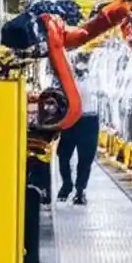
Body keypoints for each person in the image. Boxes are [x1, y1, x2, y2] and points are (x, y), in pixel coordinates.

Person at [56, 53, 101, 205]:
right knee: (63, 155)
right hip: (71, 119)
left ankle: (80, 190)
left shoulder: (96, 78)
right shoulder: (66, 77)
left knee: (85, 159)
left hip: (89, 120)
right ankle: (67, 185)